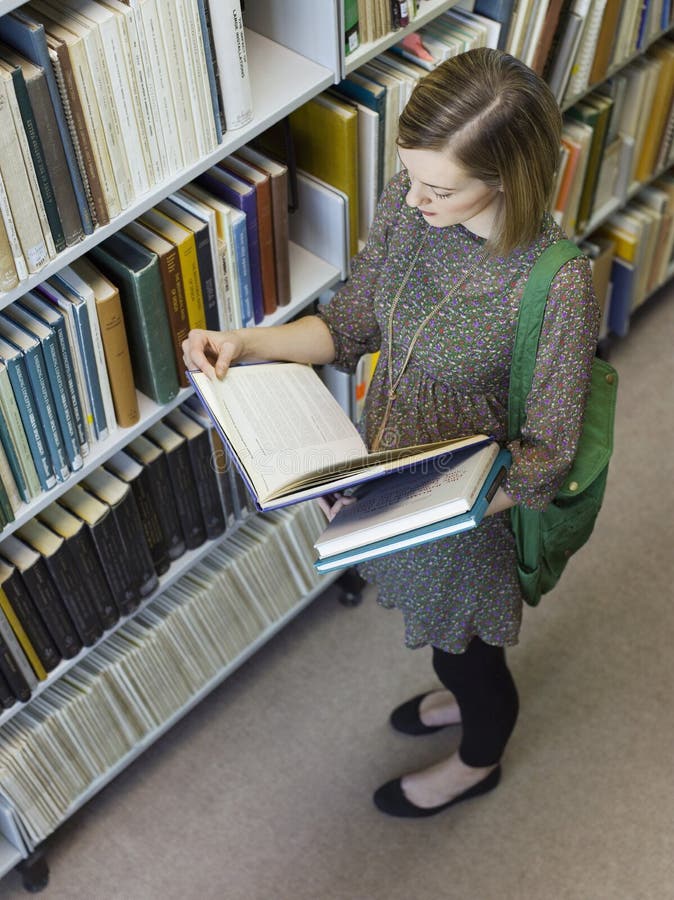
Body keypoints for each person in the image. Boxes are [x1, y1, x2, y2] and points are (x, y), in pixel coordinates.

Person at [182, 47, 600, 818]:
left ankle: (479, 761)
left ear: (507, 177)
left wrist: (404, 510)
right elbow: (350, 325)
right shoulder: (414, 207)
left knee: (468, 654)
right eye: (410, 174)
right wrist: (244, 342)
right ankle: (455, 687)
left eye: (439, 186)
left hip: (468, 514)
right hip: (391, 478)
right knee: (446, 639)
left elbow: (545, 458)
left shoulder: (558, 282)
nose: (412, 199)